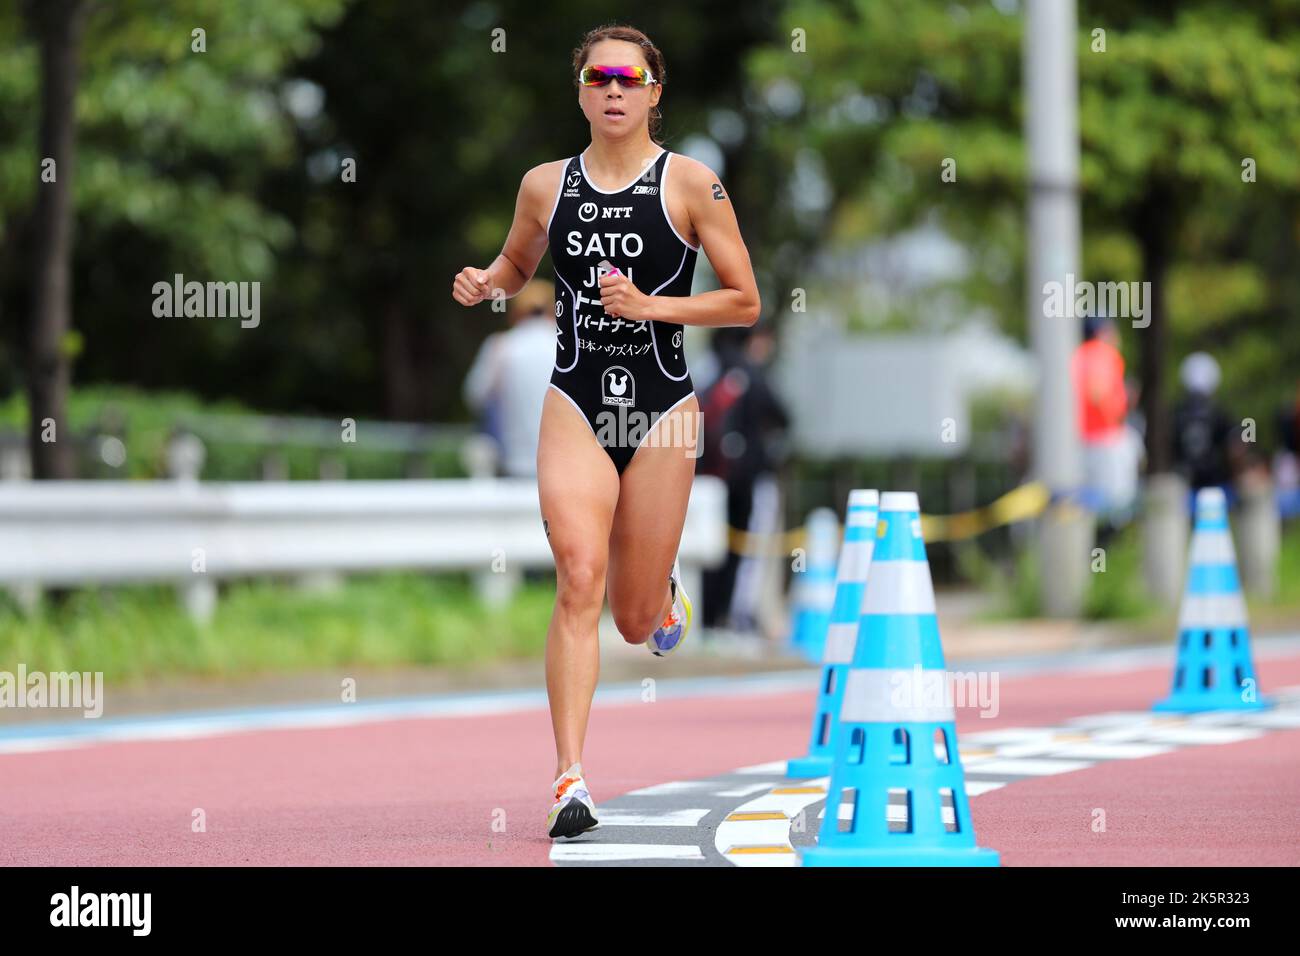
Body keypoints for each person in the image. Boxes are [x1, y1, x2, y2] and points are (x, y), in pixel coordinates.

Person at [450, 24, 760, 840]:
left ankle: (659, 599)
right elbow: (518, 266)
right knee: (578, 576)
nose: (613, 89)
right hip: (577, 403)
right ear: (580, 90)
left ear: (656, 91)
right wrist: (489, 281)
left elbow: (744, 301)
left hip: (661, 407)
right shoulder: (545, 186)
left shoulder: (694, 184)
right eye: (598, 77)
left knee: (629, 616)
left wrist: (652, 306)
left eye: (630, 77)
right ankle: (568, 780)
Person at [698, 324, 789, 633]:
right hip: (750, 476)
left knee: (710, 549)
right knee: (746, 548)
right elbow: (783, 416)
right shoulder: (752, 375)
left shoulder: (708, 373)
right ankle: (735, 616)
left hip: (709, 478)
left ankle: (708, 618)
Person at [462, 279, 556, 477]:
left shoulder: (501, 347)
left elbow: (475, 396)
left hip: (515, 462)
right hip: (564, 462)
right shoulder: (571, 348)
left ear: (516, 312)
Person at [1070, 314, 1137, 528]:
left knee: (1086, 506)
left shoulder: (1076, 355)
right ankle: (1113, 547)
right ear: (1103, 330)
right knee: (1116, 507)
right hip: (1105, 439)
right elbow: (1097, 390)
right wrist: (1117, 411)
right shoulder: (1102, 352)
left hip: (1080, 440)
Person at [1171, 351, 1243, 500]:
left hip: (1189, 486)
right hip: (1216, 487)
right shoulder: (1220, 412)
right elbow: (1237, 446)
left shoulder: (1176, 414)